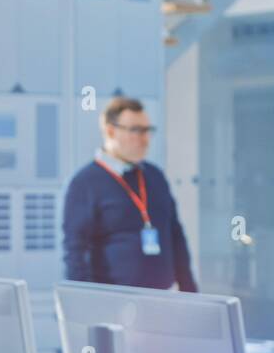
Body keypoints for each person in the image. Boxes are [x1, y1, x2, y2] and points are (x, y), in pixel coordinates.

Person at [61, 97, 197, 291]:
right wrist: (87, 308)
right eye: (136, 130)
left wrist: (189, 290)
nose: (145, 139)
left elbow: (176, 235)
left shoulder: (154, 175)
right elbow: (75, 253)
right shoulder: (85, 183)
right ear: (110, 131)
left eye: (148, 130)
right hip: (114, 305)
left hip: (162, 299)